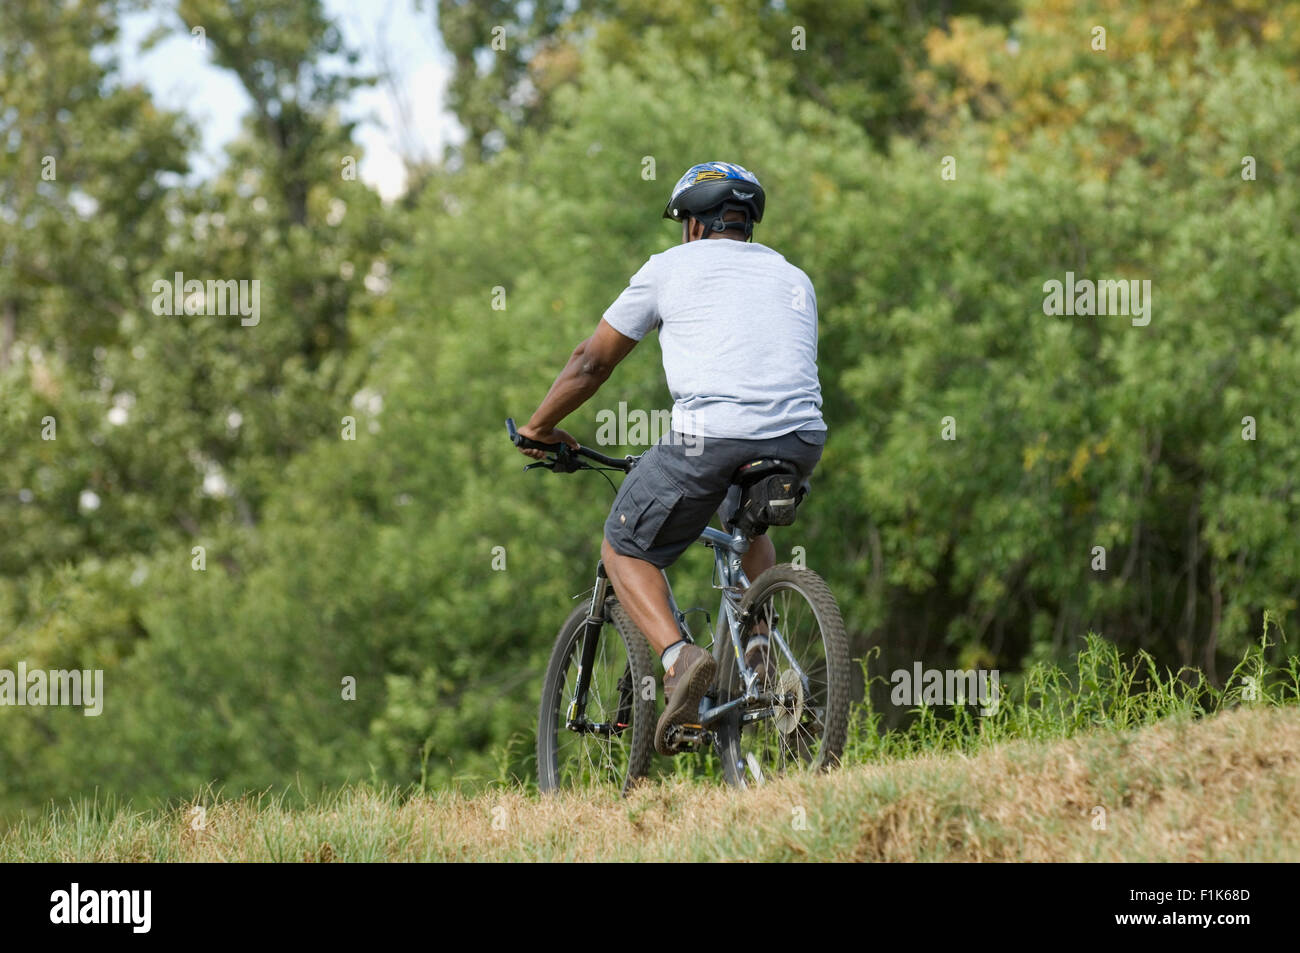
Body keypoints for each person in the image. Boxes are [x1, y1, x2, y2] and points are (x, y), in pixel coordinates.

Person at [516, 161, 826, 755]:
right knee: (744, 520)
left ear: (694, 224)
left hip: (709, 437)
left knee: (623, 544)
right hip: (802, 436)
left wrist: (541, 426)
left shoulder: (668, 269)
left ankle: (682, 659)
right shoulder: (793, 276)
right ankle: (762, 659)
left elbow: (591, 362)